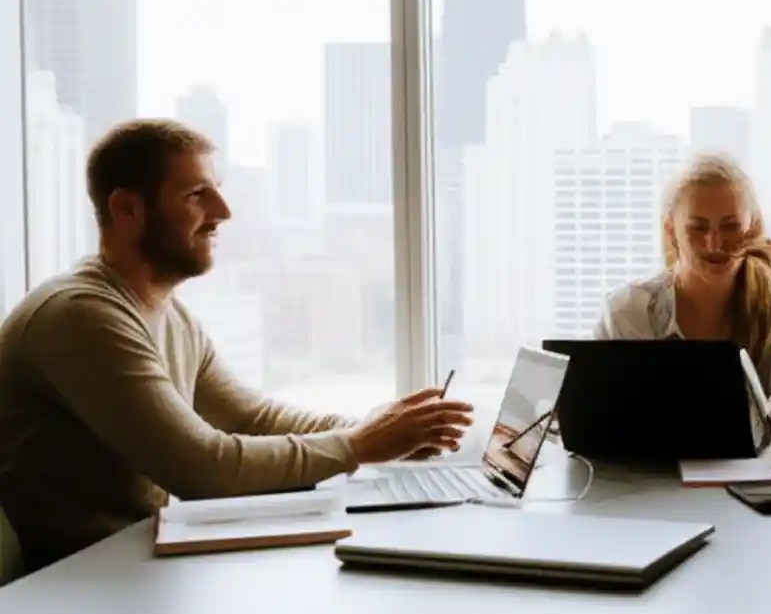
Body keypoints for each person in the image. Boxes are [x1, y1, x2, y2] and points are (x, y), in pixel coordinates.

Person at [0, 120, 474, 573]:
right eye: (196, 194)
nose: (223, 211)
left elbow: (254, 419)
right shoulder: (82, 316)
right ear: (127, 209)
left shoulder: (169, 315)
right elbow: (204, 468)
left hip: (130, 569)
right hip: (71, 593)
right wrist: (359, 444)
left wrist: (382, 431)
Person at [595, 151, 771, 430]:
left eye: (730, 226)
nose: (715, 244)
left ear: (751, 227)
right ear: (671, 230)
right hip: (652, 471)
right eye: (697, 228)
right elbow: (599, 417)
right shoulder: (629, 311)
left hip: (756, 472)